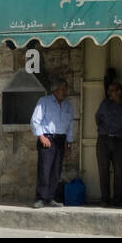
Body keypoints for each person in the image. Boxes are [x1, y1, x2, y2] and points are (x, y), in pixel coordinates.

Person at [30, 77, 74, 208]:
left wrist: (69, 142)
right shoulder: (44, 102)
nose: (65, 92)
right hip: (47, 138)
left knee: (56, 170)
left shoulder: (67, 105)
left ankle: (51, 197)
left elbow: (70, 125)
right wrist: (41, 136)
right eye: (63, 89)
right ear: (56, 90)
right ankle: (41, 198)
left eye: (66, 89)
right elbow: (34, 120)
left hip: (60, 139)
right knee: (45, 169)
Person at [95, 81, 122, 206]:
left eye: (112, 91)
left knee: (118, 170)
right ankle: (104, 199)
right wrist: (104, 130)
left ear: (119, 92)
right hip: (104, 139)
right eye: (109, 91)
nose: (109, 93)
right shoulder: (105, 104)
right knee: (103, 170)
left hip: (119, 140)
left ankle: (117, 199)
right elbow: (97, 118)